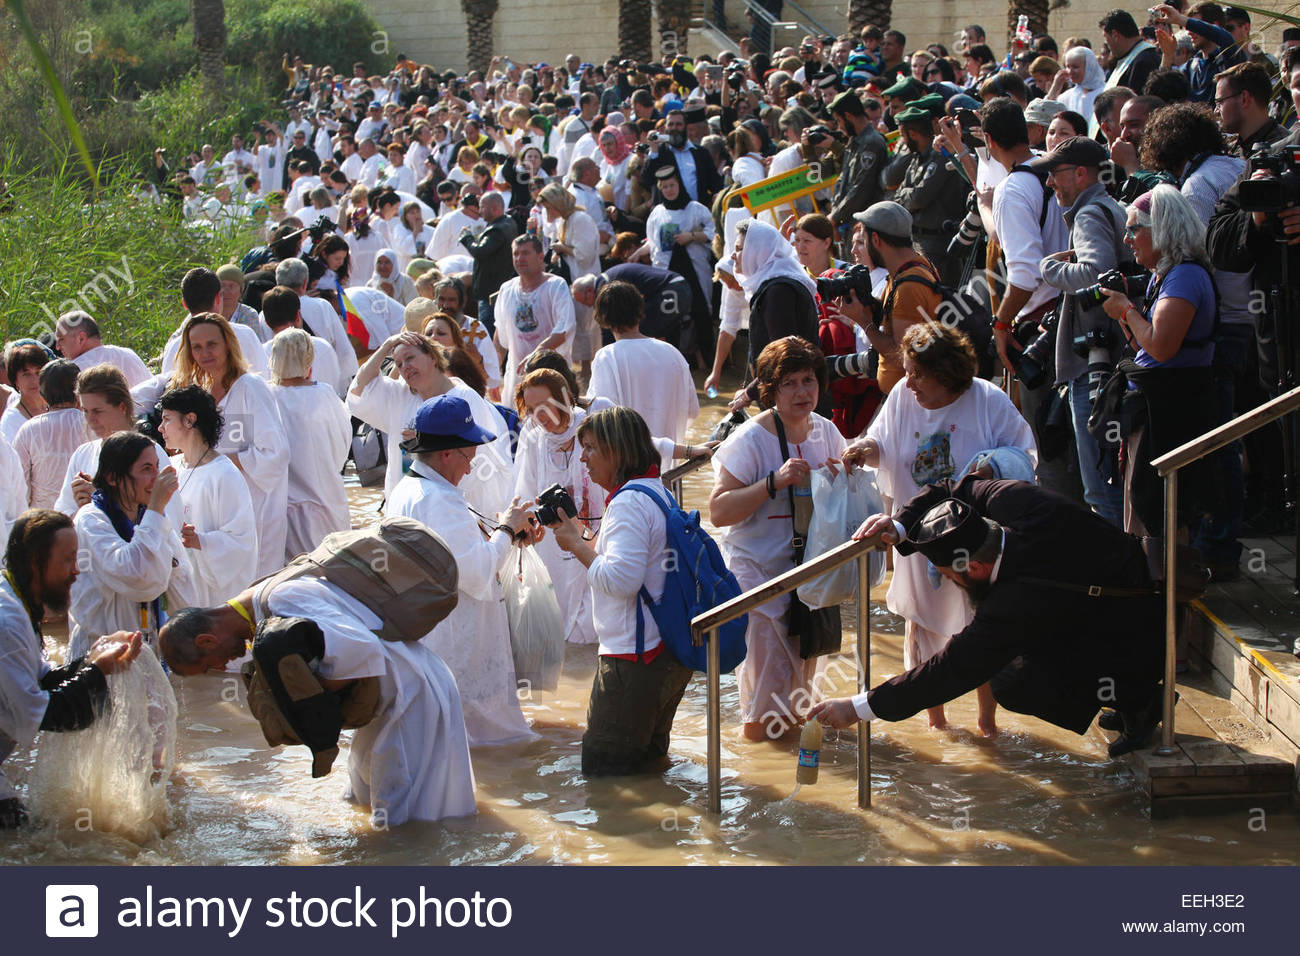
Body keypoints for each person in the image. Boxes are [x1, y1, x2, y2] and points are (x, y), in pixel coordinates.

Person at [810, 475, 1167, 757]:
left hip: (1144, 620)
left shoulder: (1015, 603)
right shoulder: (1012, 501)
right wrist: (901, 527)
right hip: (1124, 593)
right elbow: (954, 488)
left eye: (949, 576)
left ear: (975, 567)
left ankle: (1140, 699)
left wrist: (859, 707)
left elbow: (950, 670)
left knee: (1012, 683)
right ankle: (1123, 692)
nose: (947, 583)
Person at [158, 556, 478, 826]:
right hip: (388, 695)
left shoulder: (281, 600)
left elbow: (362, 649)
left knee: (405, 821)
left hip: (409, 694)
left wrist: (314, 697)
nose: (221, 666)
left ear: (206, 641)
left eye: (209, 666)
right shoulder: (260, 601)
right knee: (363, 796)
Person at [841, 323, 1036, 734]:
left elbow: (1022, 454)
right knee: (922, 621)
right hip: (918, 533)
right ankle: (936, 722)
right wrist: (864, 449)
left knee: (979, 627)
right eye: (906, 371)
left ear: (946, 373)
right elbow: (883, 443)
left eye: (917, 374)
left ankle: (987, 723)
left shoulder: (988, 401)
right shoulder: (901, 397)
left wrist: (993, 466)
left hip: (973, 536)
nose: (908, 383)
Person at [545, 407, 695, 775]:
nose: (583, 457)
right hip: (668, 655)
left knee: (605, 776)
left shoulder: (628, 502)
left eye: (592, 448)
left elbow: (621, 581)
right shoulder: (655, 490)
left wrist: (575, 546)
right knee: (648, 768)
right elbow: (637, 565)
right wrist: (581, 534)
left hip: (635, 659)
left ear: (619, 451)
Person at [709, 337, 845, 741]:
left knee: (801, 687)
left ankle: (791, 772)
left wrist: (846, 475)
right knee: (767, 690)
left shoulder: (826, 431)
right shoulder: (750, 439)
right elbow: (718, 511)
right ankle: (758, 774)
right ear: (769, 389)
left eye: (809, 380)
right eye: (790, 383)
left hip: (809, 574)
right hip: (757, 573)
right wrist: (773, 481)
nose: (803, 392)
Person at [387, 394, 538, 746]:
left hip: (430, 637)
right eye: (467, 457)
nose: (470, 468)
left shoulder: (410, 489)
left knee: (442, 737)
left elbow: (462, 554)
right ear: (446, 454)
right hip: (456, 643)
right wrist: (505, 529)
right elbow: (477, 572)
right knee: (486, 745)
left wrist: (508, 532)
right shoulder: (437, 500)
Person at [0, 510, 145, 829]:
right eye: (67, 560)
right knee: (32, 846)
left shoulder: (17, 603)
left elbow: (42, 683)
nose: (77, 571)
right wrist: (96, 671)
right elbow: (41, 714)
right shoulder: (7, 622)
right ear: (37, 564)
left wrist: (97, 658)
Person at [1100, 185, 1222, 539]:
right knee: (1146, 508)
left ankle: (1171, 588)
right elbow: (1145, 344)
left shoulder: (1185, 275)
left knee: (1165, 510)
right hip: (1155, 406)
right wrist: (1126, 316)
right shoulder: (1166, 274)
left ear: (1164, 229)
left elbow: (1162, 347)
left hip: (1172, 411)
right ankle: (1155, 584)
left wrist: (1125, 309)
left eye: (1135, 228)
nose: (1127, 239)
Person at [1034, 136, 1132, 528]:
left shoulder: (1090, 213)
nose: (1049, 184)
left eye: (1055, 175)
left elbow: (1096, 275)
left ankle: (1119, 580)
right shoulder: (1109, 206)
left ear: (1079, 173)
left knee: (1101, 487)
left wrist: (1049, 269)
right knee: (1113, 481)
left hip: (1098, 366)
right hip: (1111, 360)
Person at [168, 312, 289, 578]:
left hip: (256, 506)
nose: (204, 353)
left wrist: (219, 462)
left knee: (253, 584)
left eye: (212, 344)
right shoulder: (199, 391)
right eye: (197, 347)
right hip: (212, 508)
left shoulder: (250, 388)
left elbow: (275, 453)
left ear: (227, 344)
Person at [347, 330, 513, 513]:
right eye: (399, 364)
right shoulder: (400, 395)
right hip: (406, 504)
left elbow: (480, 458)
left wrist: (428, 441)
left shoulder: (465, 398)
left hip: (452, 506)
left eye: (410, 358)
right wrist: (386, 346)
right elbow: (358, 392)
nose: (405, 367)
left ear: (433, 357)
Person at [67, 430, 195, 659]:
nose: (157, 478)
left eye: (157, 467)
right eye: (146, 469)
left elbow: (181, 581)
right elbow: (136, 576)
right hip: (101, 653)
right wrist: (156, 508)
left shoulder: (148, 517)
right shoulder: (91, 519)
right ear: (112, 478)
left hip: (145, 647)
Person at [512, 368, 601, 646]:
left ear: (564, 398)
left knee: (594, 613)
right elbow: (525, 487)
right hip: (552, 542)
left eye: (546, 406)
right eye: (532, 409)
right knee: (560, 620)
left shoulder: (592, 427)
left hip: (594, 532)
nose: (540, 417)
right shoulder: (532, 437)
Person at [157, 385, 258, 609]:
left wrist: (200, 541)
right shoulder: (170, 467)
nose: (160, 428)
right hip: (177, 584)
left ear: (189, 420)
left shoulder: (224, 474)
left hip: (212, 592)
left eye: (166, 419)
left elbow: (242, 540)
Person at [267, 331, 352, 561]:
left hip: (284, 507)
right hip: (328, 498)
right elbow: (343, 446)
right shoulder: (325, 394)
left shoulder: (265, 397)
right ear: (309, 360)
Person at [586, 280, 698, 454]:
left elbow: (601, 418)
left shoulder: (607, 357)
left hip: (627, 467)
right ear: (639, 310)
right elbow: (692, 411)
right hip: (670, 466)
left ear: (603, 317)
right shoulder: (673, 353)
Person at [729, 220, 822, 413]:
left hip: (791, 401)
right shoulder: (775, 284)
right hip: (786, 396)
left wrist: (749, 393)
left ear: (758, 253)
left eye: (739, 249)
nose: (733, 256)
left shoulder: (778, 292)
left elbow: (784, 357)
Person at [493, 234, 576, 402]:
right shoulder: (506, 289)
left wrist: (535, 356)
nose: (519, 258)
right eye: (516, 254)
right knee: (516, 426)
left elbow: (564, 330)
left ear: (540, 257)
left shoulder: (556, 286)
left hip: (552, 376)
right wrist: (493, 375)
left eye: (525, 253)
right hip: (516, 379)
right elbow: (500, 335)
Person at [537, 182, 602, 377]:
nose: (548, 211)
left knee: (587, 324)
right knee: (576, 323)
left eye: (549, 207)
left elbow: (586, 254)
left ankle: (588, 369)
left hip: (585, 280)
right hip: (571, 280)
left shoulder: (581, 219)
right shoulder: (564, 221)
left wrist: (563, 249)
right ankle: (581, 368)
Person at [54, 365, 137, 516]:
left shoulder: (148, 454)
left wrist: (99, 500)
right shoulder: (82, 454)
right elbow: (63, 514)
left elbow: (160, 521)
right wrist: (83, 510)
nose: (90, 420)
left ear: (122, 407)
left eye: (97, 411)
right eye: (85, 411)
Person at [13, 360, 87, 510]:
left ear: (43, 395)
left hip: (44, 521)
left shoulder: (29, 429)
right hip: (85, 516)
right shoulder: (92, 423)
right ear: (79, 392)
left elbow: (19, 486)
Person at [260, 285, 343, 398]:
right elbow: (335, 388)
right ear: (298, 315)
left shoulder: (261, 353)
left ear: (266, 322)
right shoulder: (323, 347)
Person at [825, 90, 889, 229]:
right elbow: (842, 180)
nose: (839, 127)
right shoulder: (854, 142)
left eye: (839, 121)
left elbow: (862, 187)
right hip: (849, 220)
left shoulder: (871, 143)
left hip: (866, 221)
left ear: (848, 116)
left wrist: (835, 218)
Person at [461, 192, 519, 333]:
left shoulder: (497, 230)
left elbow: (480, 251)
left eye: (482, 207)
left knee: (488, 333)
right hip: (498, 290)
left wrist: (467, 239)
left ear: (494, 208)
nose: (480, 211)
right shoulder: (508, 222)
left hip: (491, 294)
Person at [52, 311, 151, 387]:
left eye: (61, 339)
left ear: (81, 339)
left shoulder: (73, 371)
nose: (57, 346)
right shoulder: (128, 354)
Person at [1098, 9, 1163, 94]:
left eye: (1105, 37)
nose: (1106, 43)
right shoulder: (1129, 57)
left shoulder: (1144, 61)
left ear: (1115, 35)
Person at [1, 343, 49, 445]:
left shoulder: (58, 405)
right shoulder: (11, 420)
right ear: (15, 380)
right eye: (26, 374)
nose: (34, 380)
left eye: (38, 372)